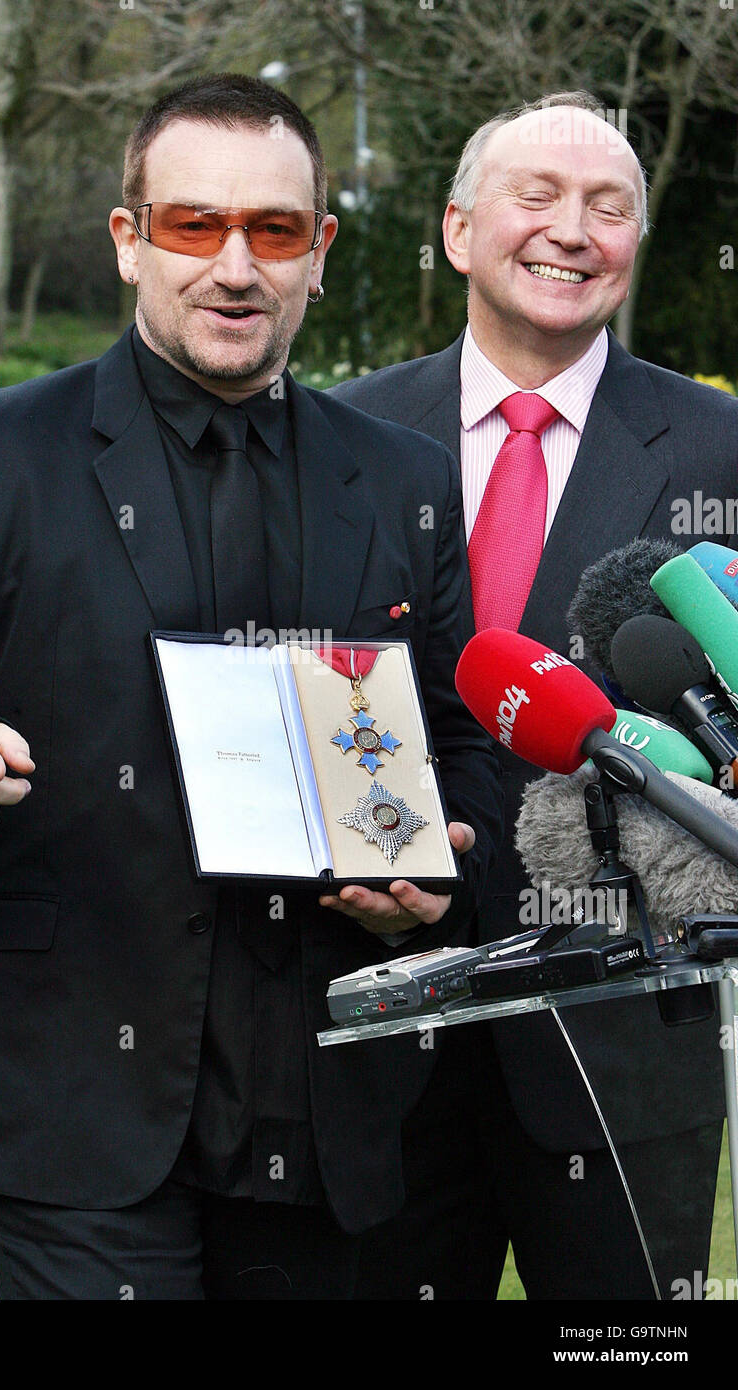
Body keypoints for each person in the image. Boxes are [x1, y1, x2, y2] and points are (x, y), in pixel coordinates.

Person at [0, 73, 501, 1300]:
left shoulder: (401, 477)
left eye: (272, 231)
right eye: (193, 225)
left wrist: (435, 864)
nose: (233, 266)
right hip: (67, 1085)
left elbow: (462, 749)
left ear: (318, 252)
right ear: (129, 241)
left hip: (322, 1096)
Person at [331, 91, 738, 1300]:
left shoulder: (720, 449)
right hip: (380, 1016)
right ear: (457, 230)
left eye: (607, 208)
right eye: (537, 196)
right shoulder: (335, 434)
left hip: (633, 1037)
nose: (572, 231)